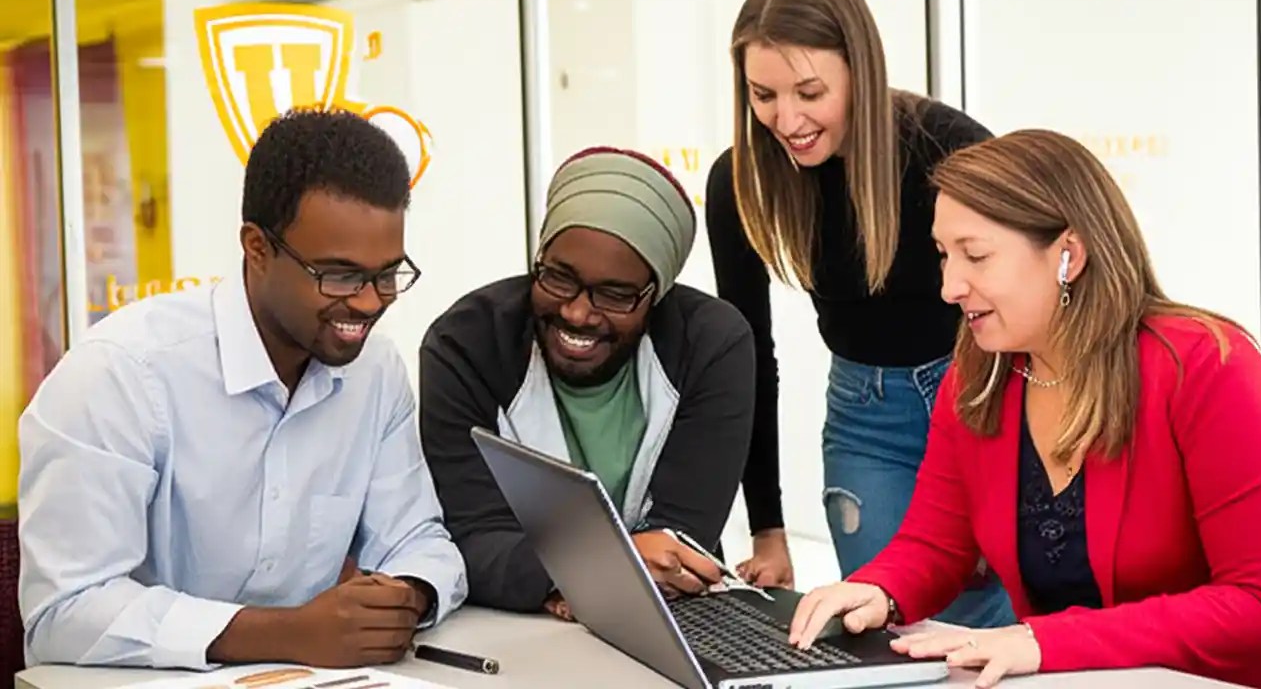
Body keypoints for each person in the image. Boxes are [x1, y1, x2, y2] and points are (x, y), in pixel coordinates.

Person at [787, 129, 1261, 689]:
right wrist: (878, 589)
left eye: (976, 256)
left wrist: (1045, 641)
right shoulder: (980, 376)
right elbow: (935, 543)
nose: (949, 286)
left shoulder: (1208, 365)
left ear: (1067, 254)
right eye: (944, 256)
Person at [17, 108, 467, 670]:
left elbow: (419, 539)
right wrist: (287, 635)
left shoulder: (373, 371)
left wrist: (406, 596)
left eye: (387, 275)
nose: (370, 302)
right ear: (257, 248)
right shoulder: (120, 374)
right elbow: (64, 613)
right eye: (340, 275)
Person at [704, 0, 1013, 626]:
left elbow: (1029, 314)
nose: (787, 120)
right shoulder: (742, 182)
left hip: (981, 400)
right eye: (763, 95)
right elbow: (750, 356)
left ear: (858, 70)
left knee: (990, 630)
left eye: (810, 92)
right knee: (890, 630)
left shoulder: (947, 149)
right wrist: (767, 528)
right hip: (865, 421)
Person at [419, 147, 754, 619]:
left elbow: (682, 542)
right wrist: (583, 576)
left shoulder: (712, 345)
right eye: (558, 278)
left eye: (615, 294)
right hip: (513, 622)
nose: (577, 312)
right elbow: (471, 534)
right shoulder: (466, 344)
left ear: (656, 294)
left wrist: (566, 575)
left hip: (669, 621)